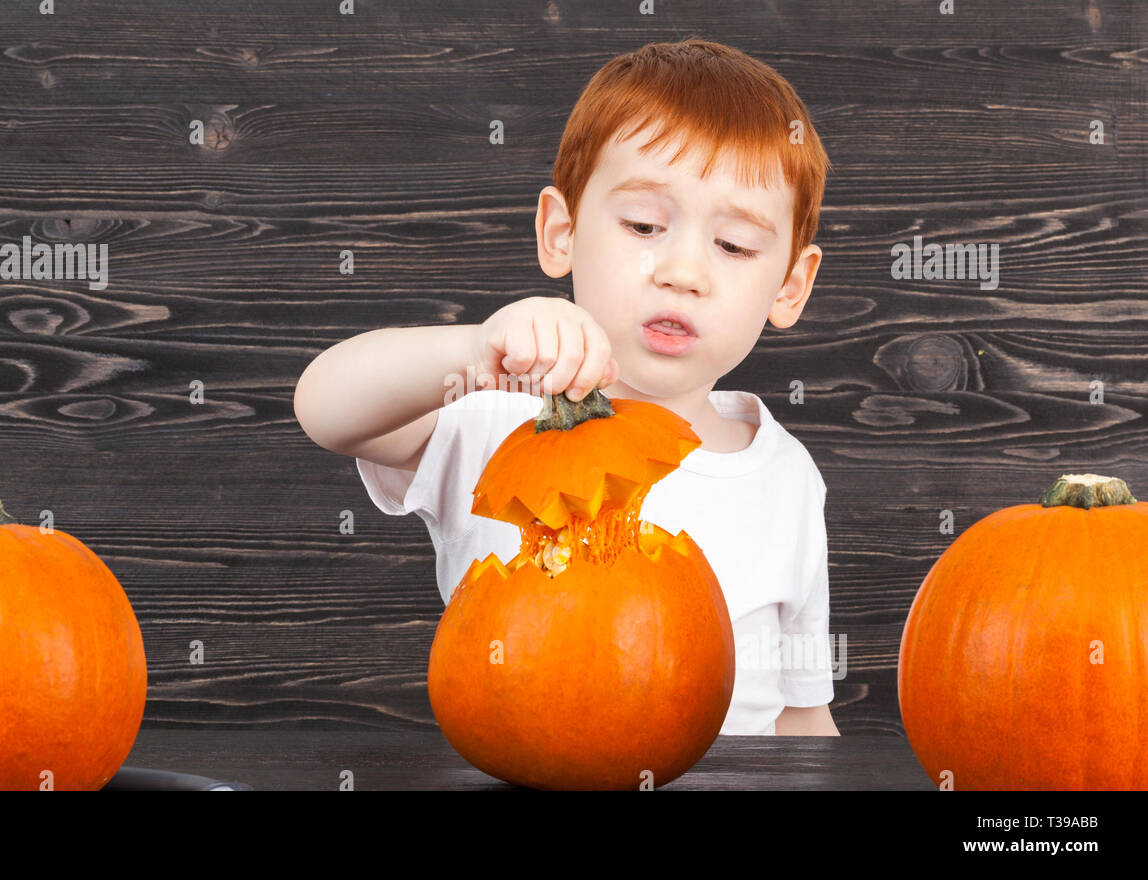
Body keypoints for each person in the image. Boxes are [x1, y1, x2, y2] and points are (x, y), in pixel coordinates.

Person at [296, 38, 839, 736]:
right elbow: (326, 407)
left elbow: (803, 712)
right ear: (561, 233)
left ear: (790, 286)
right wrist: (474, 350)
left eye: (733, 245)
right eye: (644, 225)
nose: (682, 269)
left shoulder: (786, 475)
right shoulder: (495, 416)